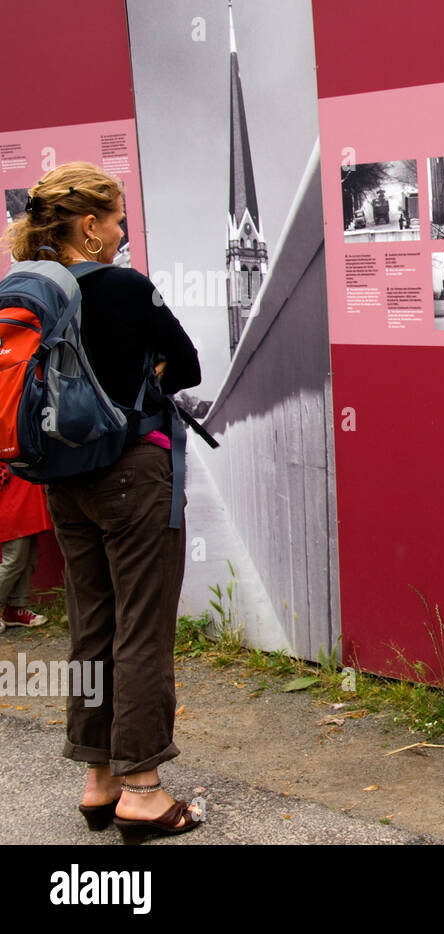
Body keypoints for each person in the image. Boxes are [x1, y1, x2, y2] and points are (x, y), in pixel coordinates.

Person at [2, 162, 203, 842]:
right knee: (142, 630)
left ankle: (98, 779)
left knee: (92, 630)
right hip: (130, 475)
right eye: (116, 219)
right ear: (90, 225)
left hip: (63, 482)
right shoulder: (122, 287)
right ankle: (143, 791)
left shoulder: (25, 290)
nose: (121, 233)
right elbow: (190, 363)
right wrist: (142, 369)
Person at [0, 464, 52, 632]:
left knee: (28, 558)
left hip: (26, 498)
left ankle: (15, 609)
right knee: (13, 560)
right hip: (10, 502)